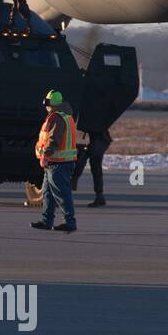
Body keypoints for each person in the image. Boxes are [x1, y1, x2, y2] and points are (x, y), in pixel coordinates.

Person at [31, 90, 78, 233]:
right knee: (48, 194)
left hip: (58, 162)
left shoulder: (56, 118)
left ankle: (69, 222)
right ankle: (46, 220)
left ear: (50, 104)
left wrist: (45, 154)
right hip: (57, 162)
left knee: (62, 193)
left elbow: (53, 140)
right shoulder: (65, 116)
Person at [72, 127, 112, 208]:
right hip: (99, 140)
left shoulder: (92, 119)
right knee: (95, 166)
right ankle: (99, 196)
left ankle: (73, 181)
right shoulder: (96, 118)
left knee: (84, 160)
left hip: (98, 140)